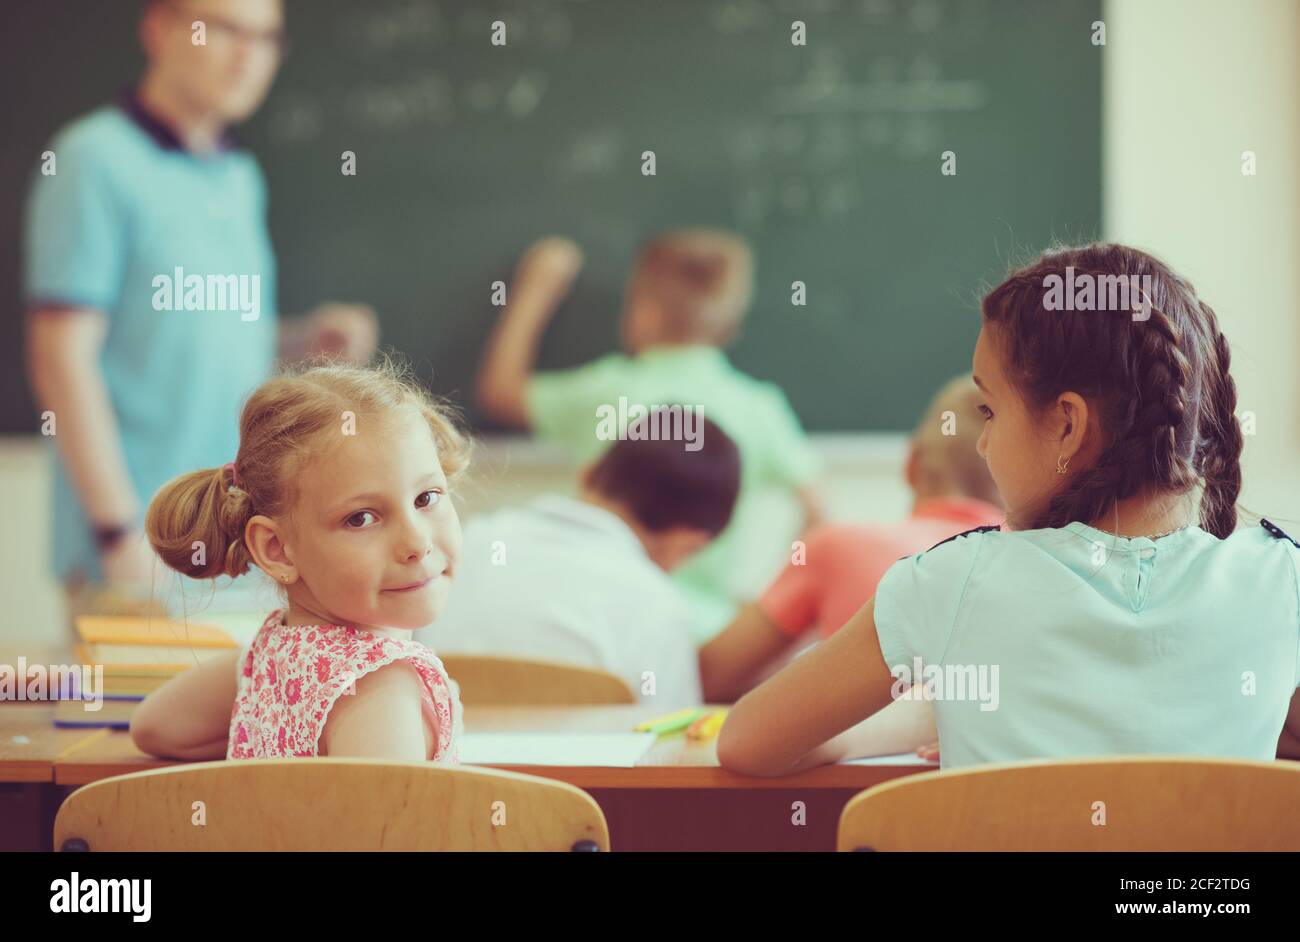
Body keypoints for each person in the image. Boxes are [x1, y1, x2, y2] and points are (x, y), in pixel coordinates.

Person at [718, 243, 1300, 773]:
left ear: (1067, 425)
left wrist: (945, 708)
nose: (982, 442)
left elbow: (747, 742)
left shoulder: (949, 582)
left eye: (990, 411)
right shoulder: (1284, 578)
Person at [23, 0, 377, 625]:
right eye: (223, 28)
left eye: (266, 37)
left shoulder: (238, 175)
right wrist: (117, 534)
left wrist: (304, 341)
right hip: (137, 551)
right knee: (137, 725)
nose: (248, 54)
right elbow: (61, 358)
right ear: (159, 30)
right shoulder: (91, 160)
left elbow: (201, 337)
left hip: (234, 536)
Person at [477, 231, 822, 642]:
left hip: (600, 620)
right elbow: (818, 515)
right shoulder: (758, 407)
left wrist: (538, 287)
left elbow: (499, 394)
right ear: (729, 323)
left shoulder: (606, 390)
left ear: (645, 312)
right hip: (708, 632)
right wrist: (764, 608)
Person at [130, 360, 467, 761]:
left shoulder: (271, 659)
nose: (416, 542)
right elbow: (384, 826)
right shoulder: (382, 687)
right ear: (276, 549)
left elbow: (155, 726)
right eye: (361, 518)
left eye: (426, 498)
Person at [699, 375, 1002, 702]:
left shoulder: (837, 545)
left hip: (856, 752)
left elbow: (708, 676)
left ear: (911, 464)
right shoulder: (1037, 559)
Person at [420, 411, 741, 708]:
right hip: (575, 772)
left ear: (587, 474)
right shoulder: (658, 606)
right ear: (687, 543)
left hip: (444, 766)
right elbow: (670, 741)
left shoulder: (471, 541)